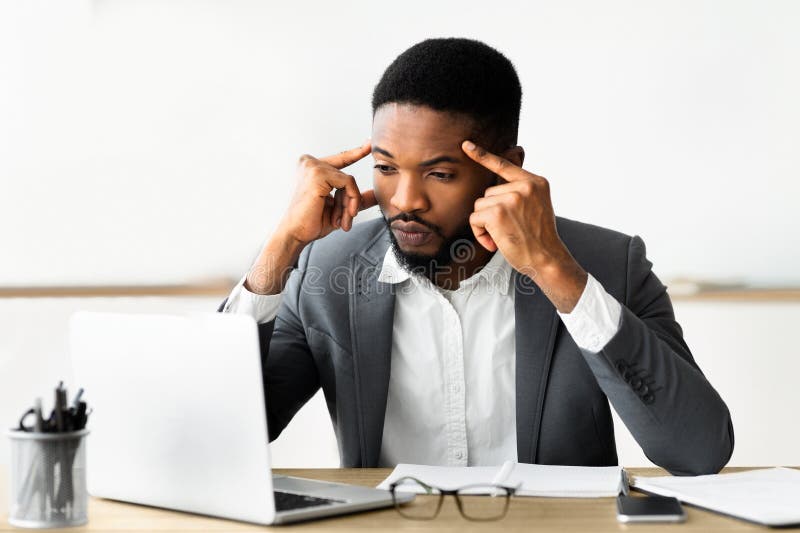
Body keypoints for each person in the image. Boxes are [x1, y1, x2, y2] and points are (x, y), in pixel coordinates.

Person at [220, 38, 733, 475]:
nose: (405, 200)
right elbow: (222, 433)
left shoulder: (609, 263)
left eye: (439, 174)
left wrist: (557, 273)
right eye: (386, 168)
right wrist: (281, 249)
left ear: (506, 169)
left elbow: (699, 450)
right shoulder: (325, 271)